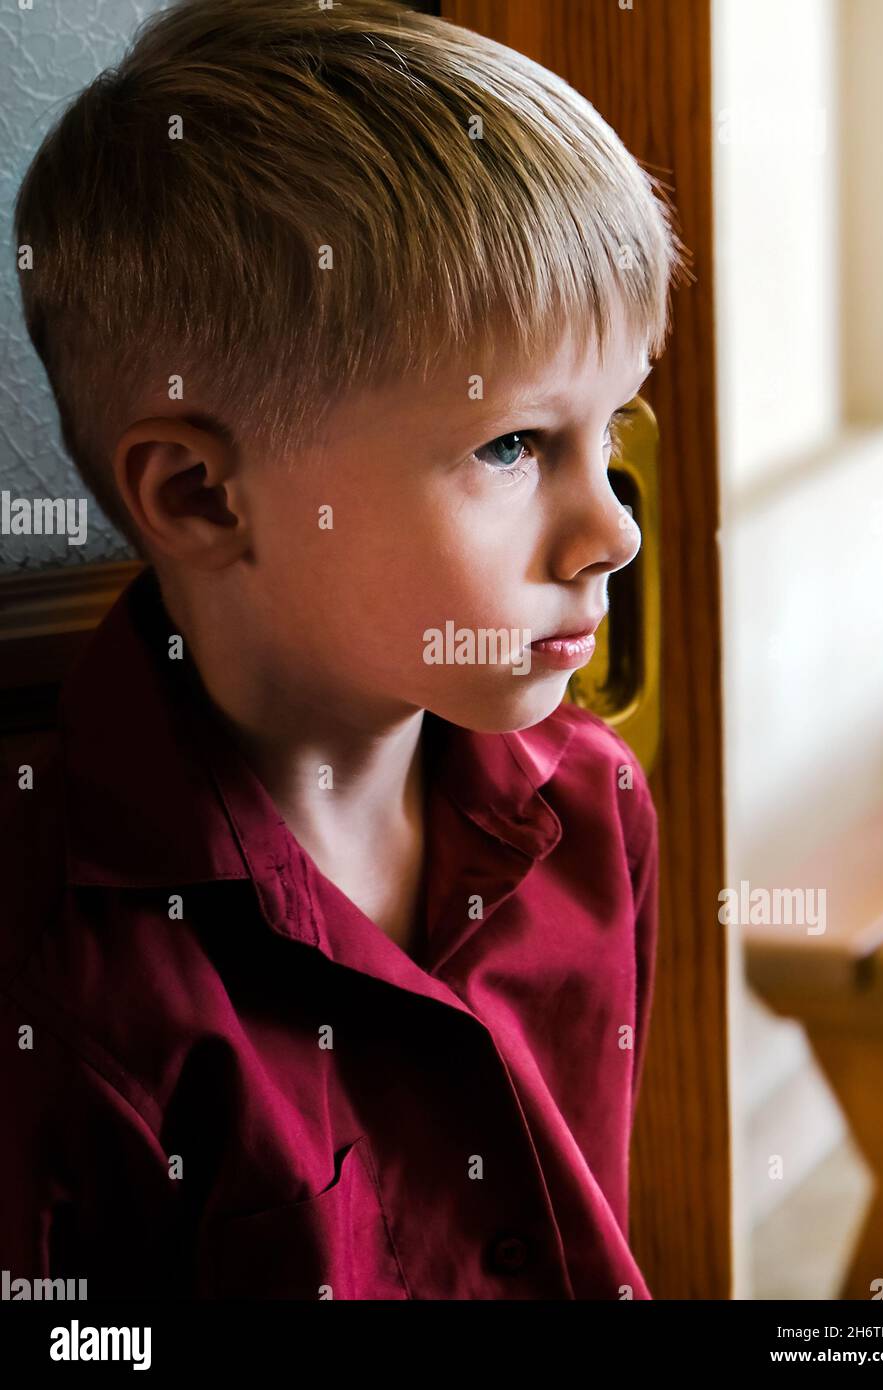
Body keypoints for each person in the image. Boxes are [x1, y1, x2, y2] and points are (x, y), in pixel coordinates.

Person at [2, 0, 687, 1299]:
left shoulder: (595, 802)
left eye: (613, 428)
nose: (613, 531)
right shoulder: (73, 982)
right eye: (513, 446)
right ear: (203, 496)